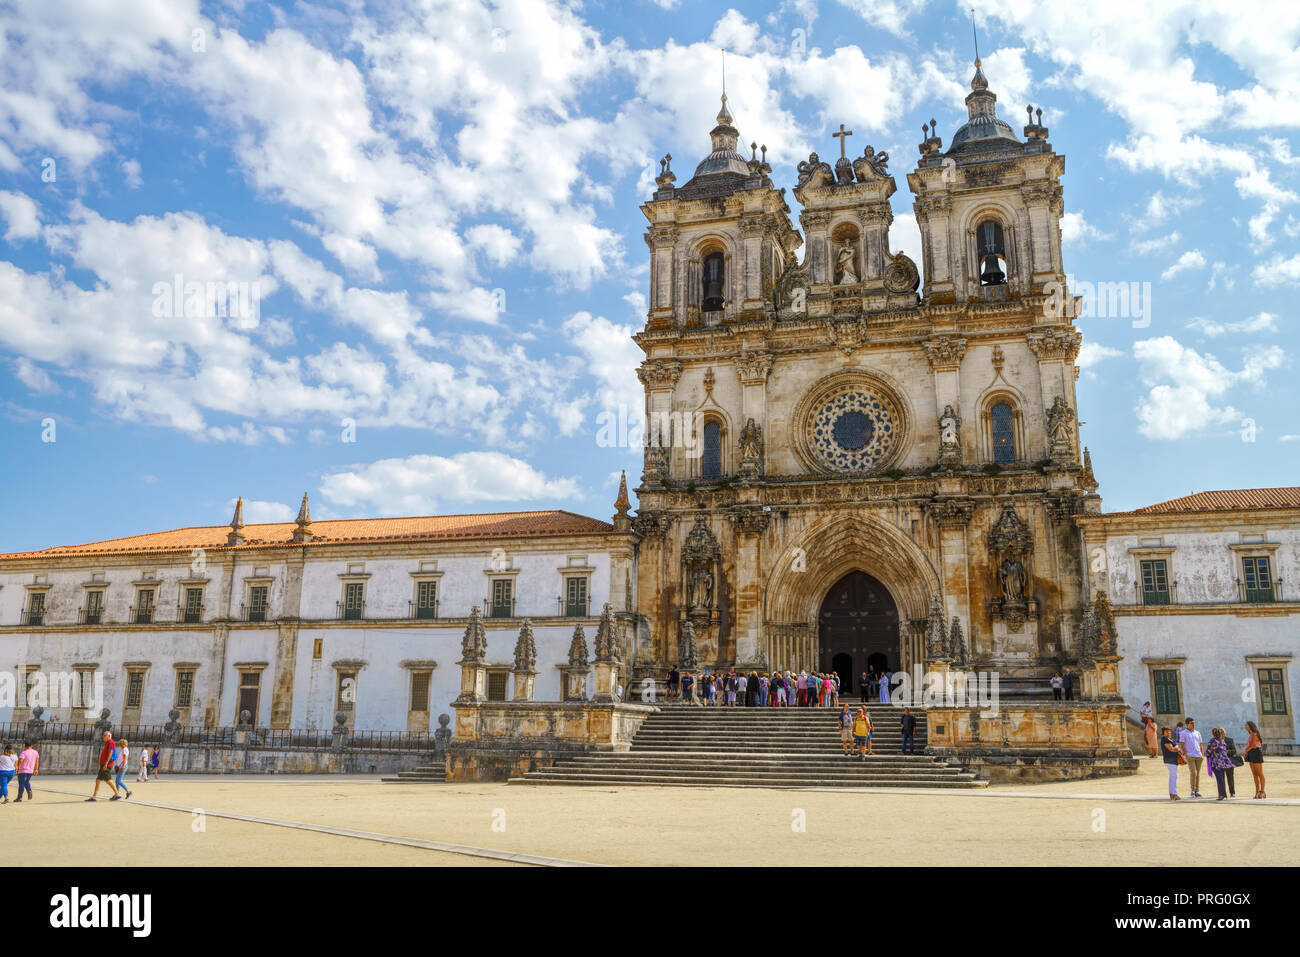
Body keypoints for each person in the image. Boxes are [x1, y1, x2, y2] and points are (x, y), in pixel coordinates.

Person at [87, 730, 120, 802]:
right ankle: (94, 797)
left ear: (109, 736)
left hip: (106, 765)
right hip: (104, 764)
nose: (103, 736)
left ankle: (117, 794)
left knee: (108, 780)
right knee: (98, 780)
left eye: (104, 735)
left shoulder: (111, 742)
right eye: (103, 735)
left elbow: (110, 752)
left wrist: (106, 763)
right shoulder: (107, 743)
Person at [1205, 727, 1233, 800]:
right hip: (1224, 762)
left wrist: (1208, 757)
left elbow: (1208, 752)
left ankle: (1222, 794)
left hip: (1216, 762)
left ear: (1213, 734)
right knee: (1221, 778)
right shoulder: (1222, 741)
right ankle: (1223, 794)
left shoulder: (1212, 741)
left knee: (1219, 779)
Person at [1178, 717, 1204, 797]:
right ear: (1187, 724)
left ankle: (1197, 791)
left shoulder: (1197, 733)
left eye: (1194, 723)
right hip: (1190, 756)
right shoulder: (1183, 733)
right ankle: (1192, 790)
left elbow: (1200, 744)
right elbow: (1182, 744)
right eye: (1192, 723)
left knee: (1198, 774)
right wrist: (1186, 754)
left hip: (1199, 755)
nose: (1193, 724)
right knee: (1193, 773)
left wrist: (1202, 754)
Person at [1244, 721, 1265, 799]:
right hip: (1251, 753)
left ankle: (1262, 792)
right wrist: (1247, 752)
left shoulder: (1254, 734)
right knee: (1254, 774)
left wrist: (1246, 751)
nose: (1245, 726)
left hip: (1256, 753)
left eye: (1246, 725)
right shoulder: (1251, 735)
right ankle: (1257, 791)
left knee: (1260, 773)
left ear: (1250, 726)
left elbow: (1252, 745)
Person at [1159, 726, 1181, 800]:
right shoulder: (1164, 739)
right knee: (1174, 776)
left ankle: (1172, 793)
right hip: (1169, 759)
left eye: (1169, 731)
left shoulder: (1170, 739)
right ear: (1163, 732)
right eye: (1167, 731)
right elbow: (1172, 749)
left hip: (1173, 760)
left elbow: (1176, 747)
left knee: (1173, 776)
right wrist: (1177, 748)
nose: (1169, 732)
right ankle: (1174, 794)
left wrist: (1176, 748)